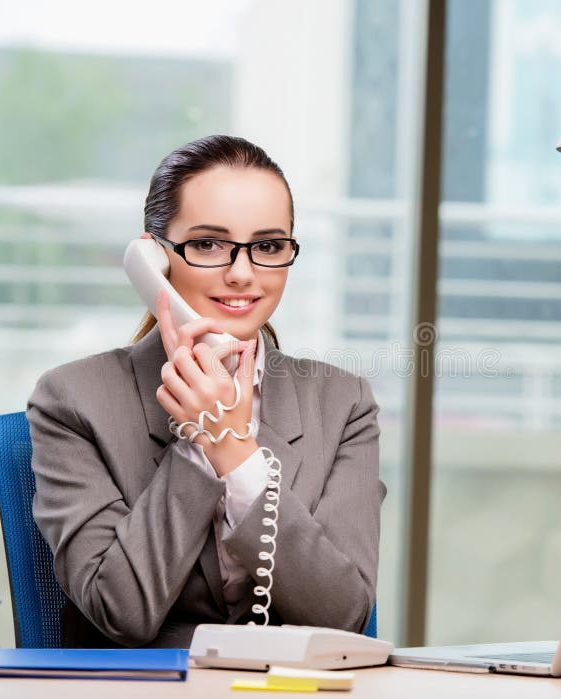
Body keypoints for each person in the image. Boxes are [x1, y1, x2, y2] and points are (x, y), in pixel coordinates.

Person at [27, 135, 385, 648]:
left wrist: (234, 451)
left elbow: (344, 616)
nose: (242, 274)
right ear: (152, 259)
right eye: (209, 244)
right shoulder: (73, 400)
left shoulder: (343, 403)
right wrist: (199, 446)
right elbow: (120, 611)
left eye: (267, 246)